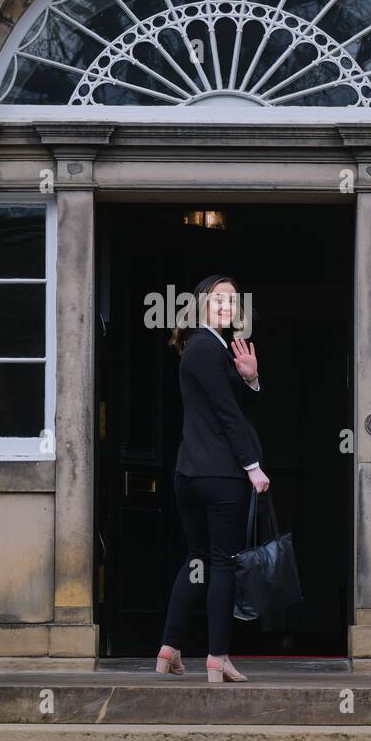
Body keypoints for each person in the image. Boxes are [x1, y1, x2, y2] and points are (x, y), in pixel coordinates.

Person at [156, 274, 268, 683]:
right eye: (219, 299)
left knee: (199, 559)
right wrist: (253, 466)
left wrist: (251, 377)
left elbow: (233, 403)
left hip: (190, 475)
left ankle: (169, 649)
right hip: (220, 475)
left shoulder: (207, 349)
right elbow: (228, 415)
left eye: (233, 301)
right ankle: (218, 656)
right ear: (202, 304)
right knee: (222, 563)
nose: (227, 305)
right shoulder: (206, 347)